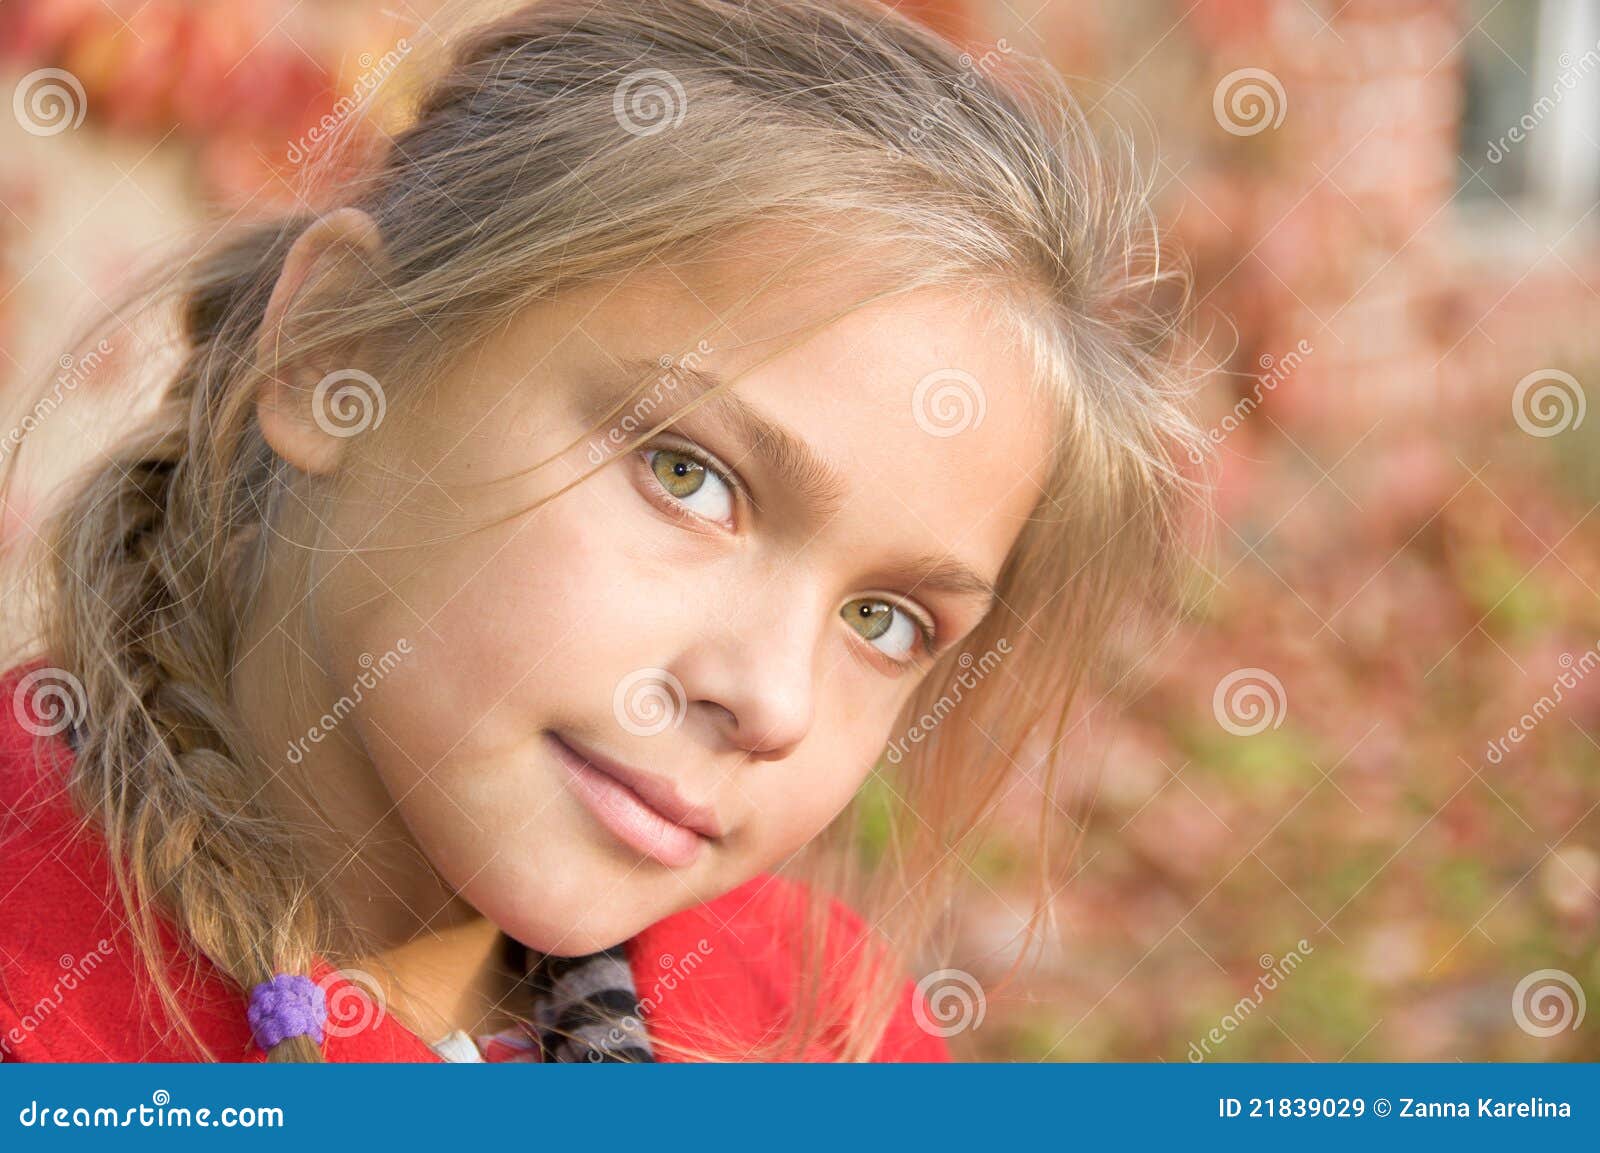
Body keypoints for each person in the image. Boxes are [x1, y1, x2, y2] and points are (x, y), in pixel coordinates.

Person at [0, 0, 1201, 1063]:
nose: (773, 701)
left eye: (883, 621)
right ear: (337, 354)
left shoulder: (819, 1030)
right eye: (689, 475)